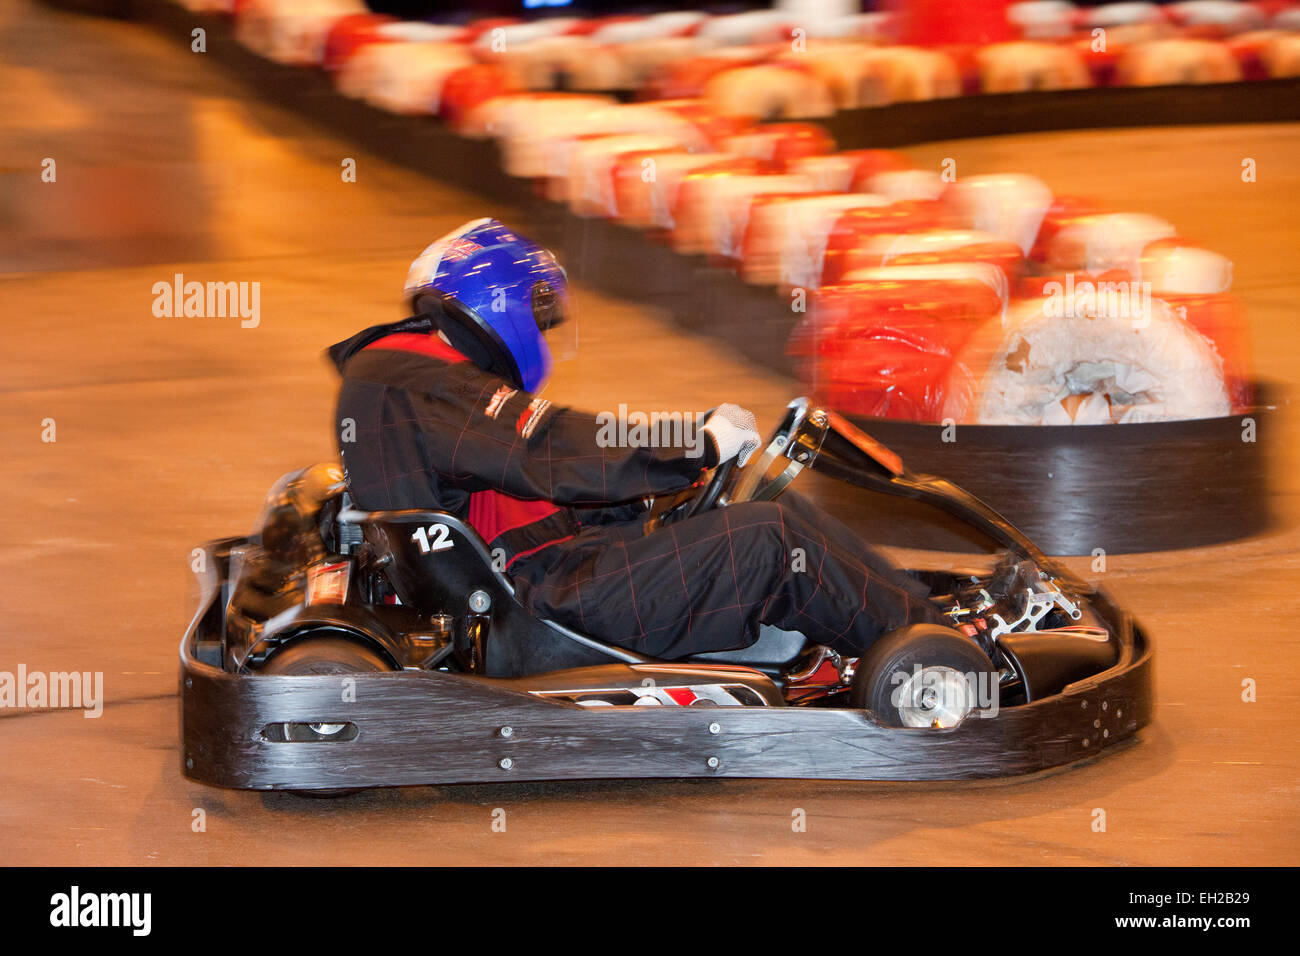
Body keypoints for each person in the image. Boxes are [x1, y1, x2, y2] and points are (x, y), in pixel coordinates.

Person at [328, 219, 948, 661]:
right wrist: (691, 444)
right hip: (535, 606)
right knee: (766, 538)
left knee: (765, 506)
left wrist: (667, 476)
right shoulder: (420, 380)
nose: (542, 334)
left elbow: (538, 467)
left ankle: (923, 616)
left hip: (531, 573)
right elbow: (550, 446)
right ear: (498, 304)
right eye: (538, 317)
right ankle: (939, 655)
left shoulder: (410, 368)